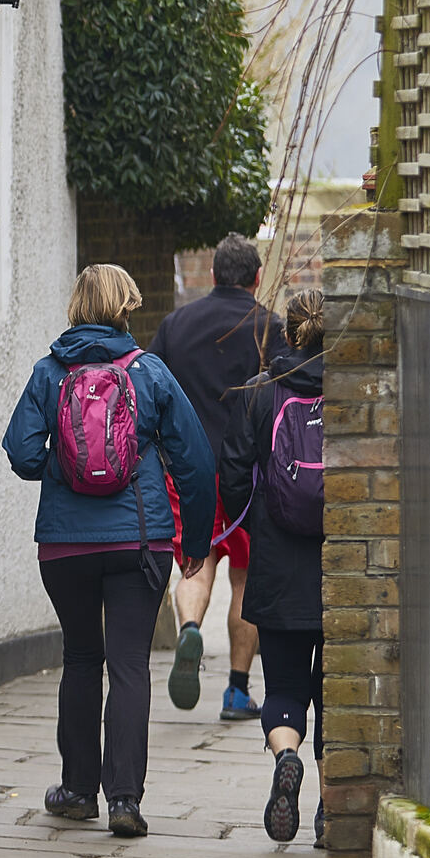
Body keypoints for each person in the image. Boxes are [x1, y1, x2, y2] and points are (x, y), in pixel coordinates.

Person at [3, 262, 215, 839]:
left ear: (77, 305)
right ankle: (124, 800)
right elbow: (196, 463)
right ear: (125, 307)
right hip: (138, 540)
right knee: (128, 664)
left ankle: (77, 791)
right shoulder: (149, 372)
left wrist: (66, 462)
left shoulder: (50, 372)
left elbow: (22, 453)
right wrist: (195, 542)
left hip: (65, 544)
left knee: (79, 657)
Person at [149, 232, 288, 719]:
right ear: (257, 278)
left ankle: (190, 627)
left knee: (196, 563)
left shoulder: (175, 325)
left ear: (212, 275)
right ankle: (236, 690)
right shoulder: (269, 328)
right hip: (248, 474)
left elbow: (151, 390)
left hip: (189, 470)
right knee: (246, 578)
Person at [235, 287, 327, 843]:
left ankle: (286, 755)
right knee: (337, 693)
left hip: (277, 565)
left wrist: (255, 526)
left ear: (287, 333)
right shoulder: (356, 391)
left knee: (285, 688)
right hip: (342, 569)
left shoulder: (260, 392)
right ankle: (330, 811)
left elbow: (232, 473)